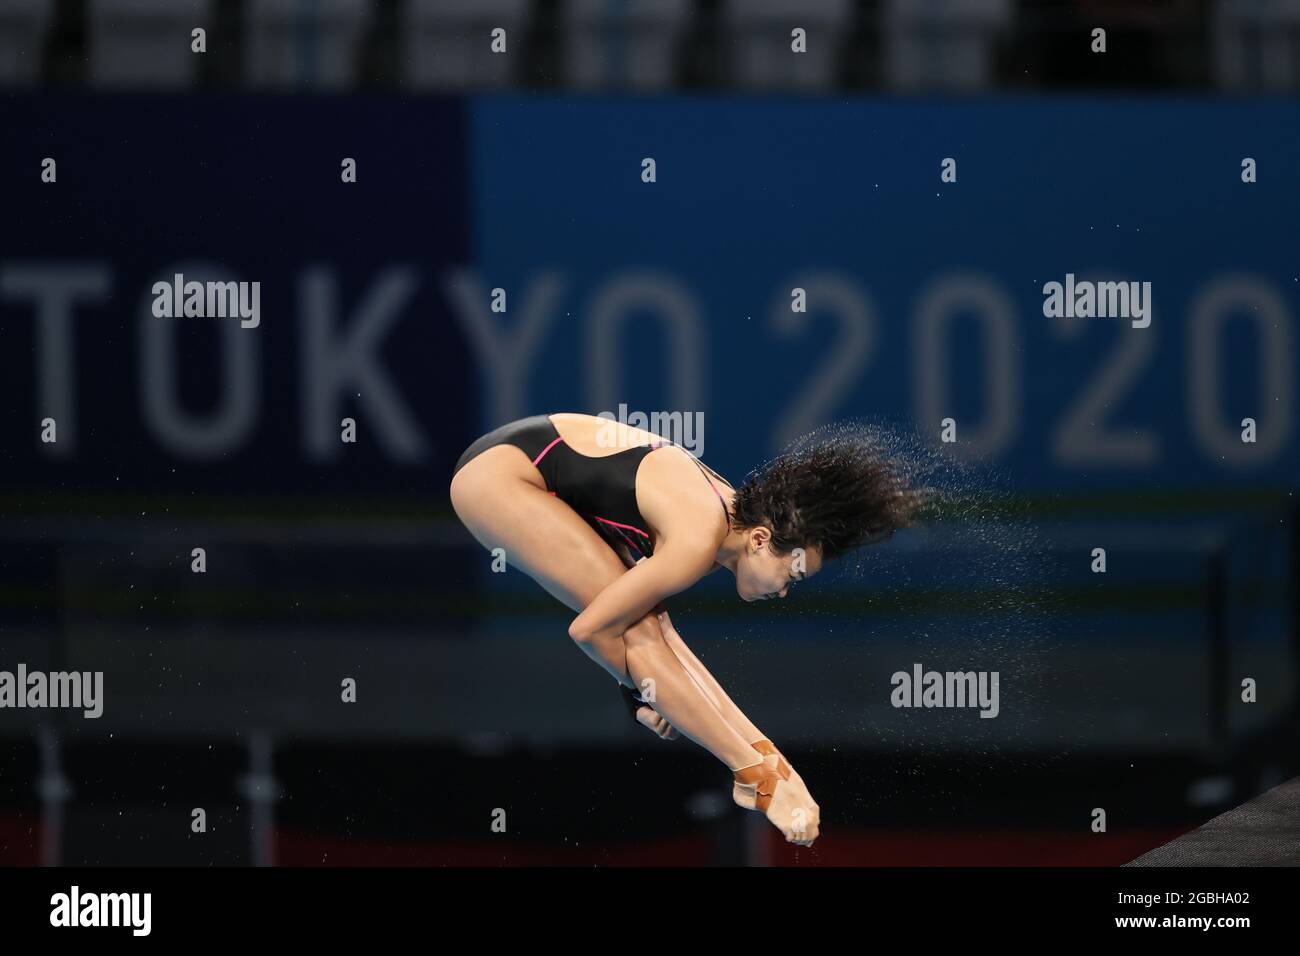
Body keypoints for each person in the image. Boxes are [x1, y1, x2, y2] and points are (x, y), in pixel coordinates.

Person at [449, 413, 925, 846]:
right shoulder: (699, 539)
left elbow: (662, 641)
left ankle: (761, 766)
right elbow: (591, 631)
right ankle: (753, 775)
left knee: (649, 628)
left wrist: (762, 749)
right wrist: (643, 690)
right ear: (761, 540)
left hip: (522, 459)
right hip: (499, 477)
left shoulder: (726, 523)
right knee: (639, 632)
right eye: (792, 575)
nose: (784, 592)